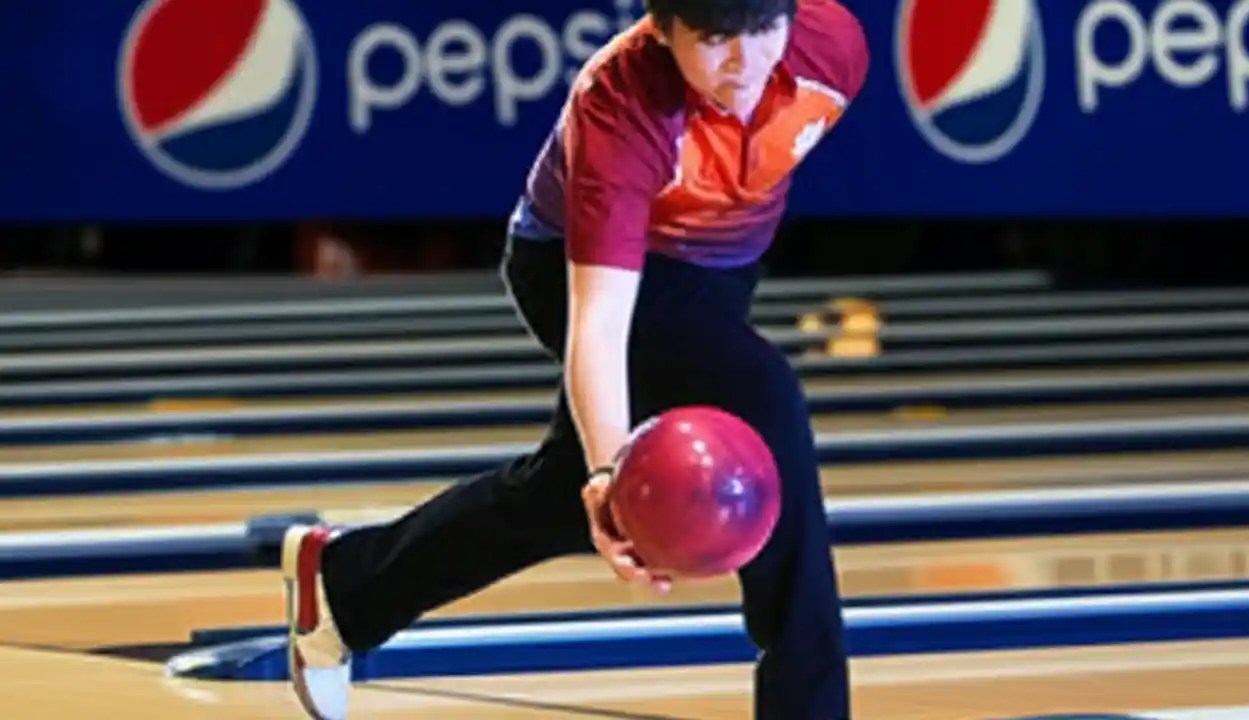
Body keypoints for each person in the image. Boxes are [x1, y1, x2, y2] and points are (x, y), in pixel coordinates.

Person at [281, 0, 869, 717]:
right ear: (662, 27)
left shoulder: (834, 47)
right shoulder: (620, 106)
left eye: (763, 31)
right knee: (768, 403)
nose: (745, 63)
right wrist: (607, 470)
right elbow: (600, 321)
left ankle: (346, 585)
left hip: (720, 273)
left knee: (563, 497)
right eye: (715, 39)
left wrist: (595, 478)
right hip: (571, 270)